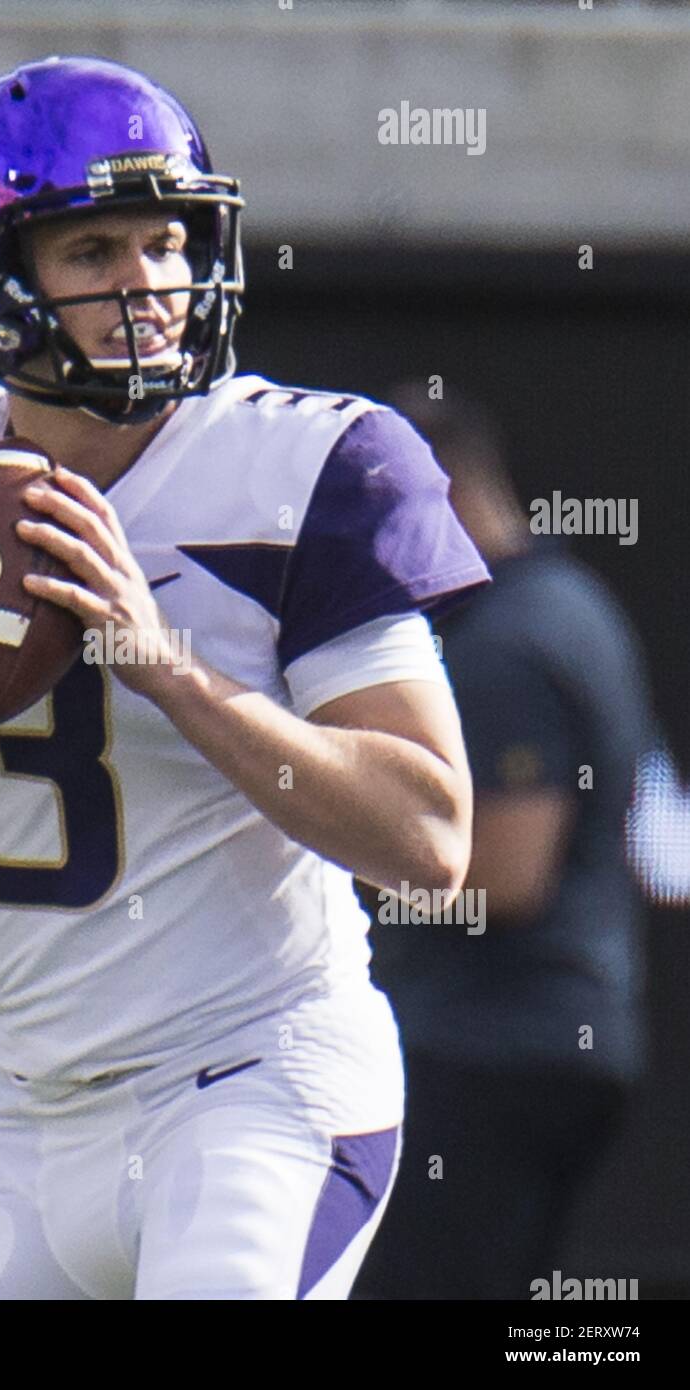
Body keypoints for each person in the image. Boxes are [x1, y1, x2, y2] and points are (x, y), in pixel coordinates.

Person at [0, 56, 489, 1300]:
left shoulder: (307, 467)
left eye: (167, 242)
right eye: (95, 252)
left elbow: (429, 839)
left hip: (255, 1091)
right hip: (27, 1115)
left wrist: (159, 663)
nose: (149, 287)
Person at [355, 385, 653, 1301]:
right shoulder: (565, 602)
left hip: (490, 1053)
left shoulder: (505, 642)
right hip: (546, 1044)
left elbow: (507, 875)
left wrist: (329, 856)